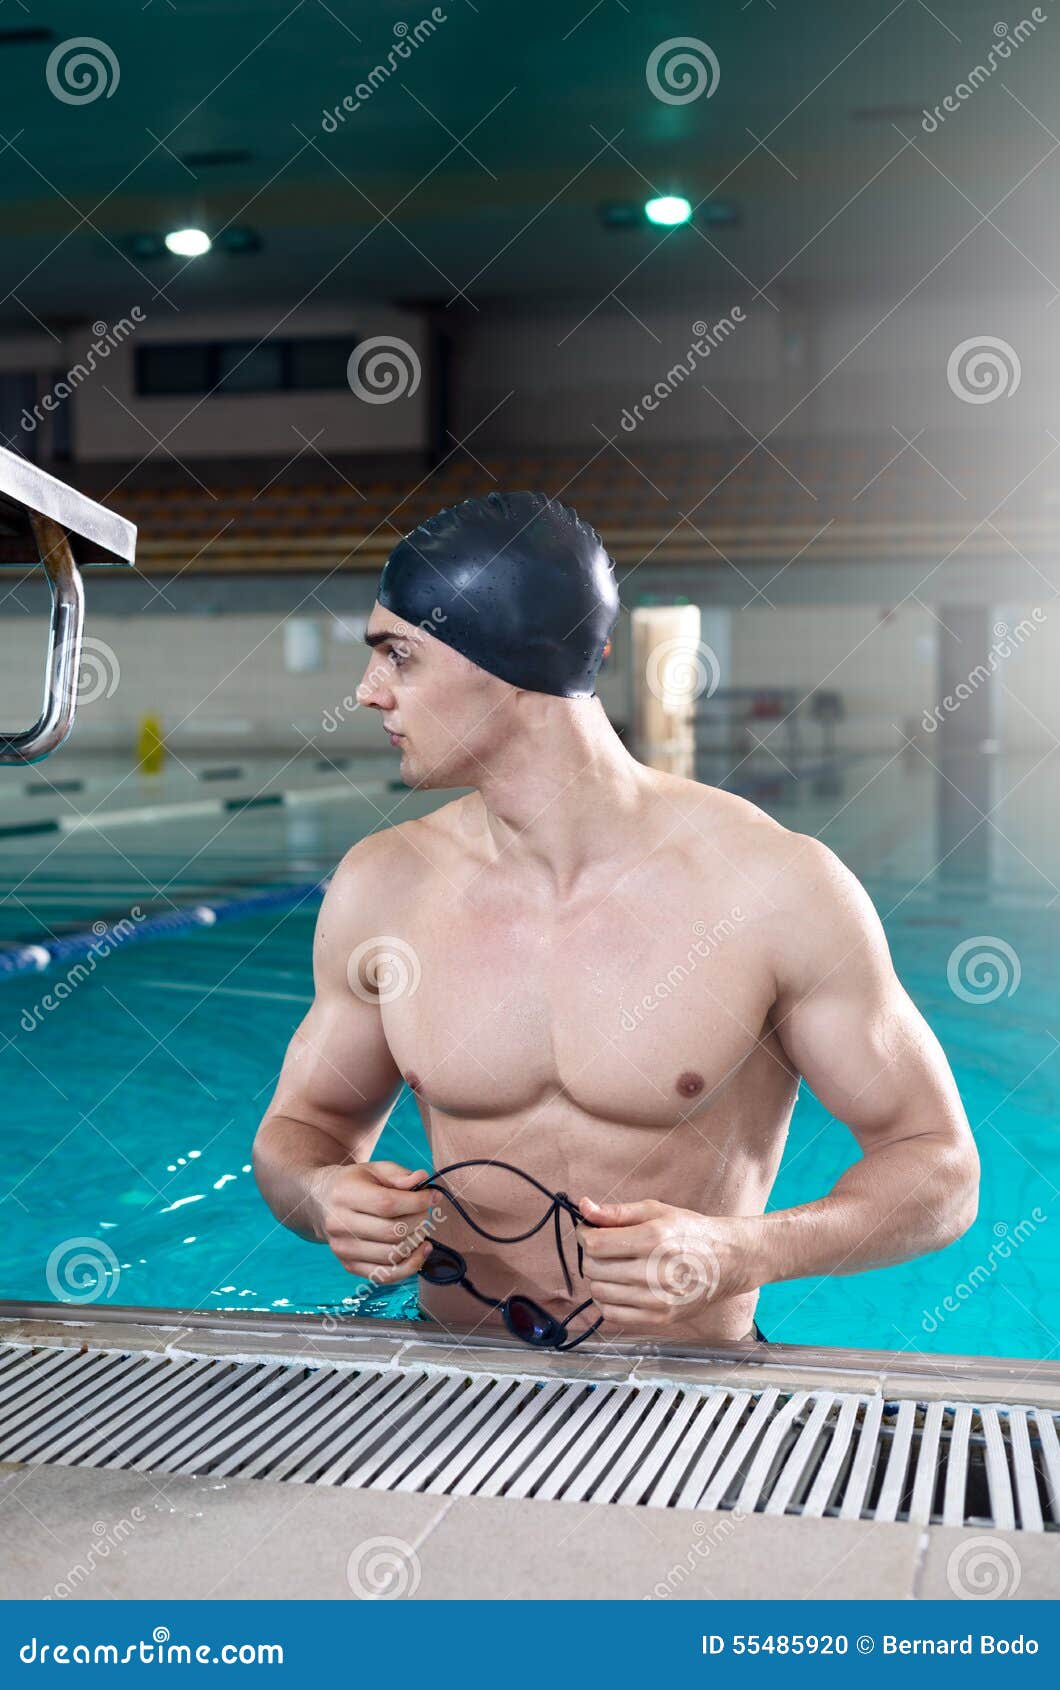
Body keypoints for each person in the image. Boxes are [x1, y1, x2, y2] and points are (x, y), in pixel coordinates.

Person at [253, 491, 979, 1345]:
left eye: (399, 656)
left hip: (686, 1391)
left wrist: (740, 1252)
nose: (369, 692)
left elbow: (940, 1170)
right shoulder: (383, 884)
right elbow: (300, 1132)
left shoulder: (773, 887)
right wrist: (327, 1197)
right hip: (452, 1368)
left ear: (506, 663)